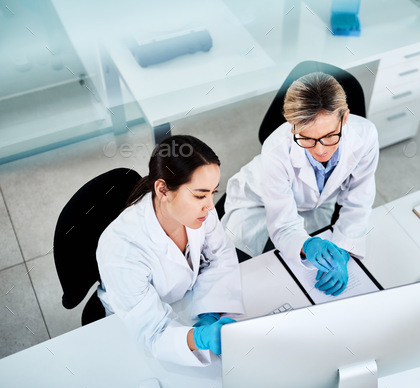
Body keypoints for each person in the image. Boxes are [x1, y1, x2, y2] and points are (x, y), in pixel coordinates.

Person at [222, 72, 379, 296]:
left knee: (299, 280)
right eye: (306, 138)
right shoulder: (276, 149)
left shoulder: (366, 135)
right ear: (292, 126)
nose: (320, 150)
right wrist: (305, 245)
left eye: (330, 135)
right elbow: (283, 223)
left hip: (316, 203)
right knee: (241, 274)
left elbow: (359, 201)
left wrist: (344, 251)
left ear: (344, 118)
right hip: (256, 200)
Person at [96, 135, 244, 367]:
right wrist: (198, 339)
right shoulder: (121, 248)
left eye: (212, 192)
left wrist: (210, 311)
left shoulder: (199, 212)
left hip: (187, 303)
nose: (210, 206)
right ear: (163, 189)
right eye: (199, 195)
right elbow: (153, 333)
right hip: (133, 329)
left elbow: (220, 256)